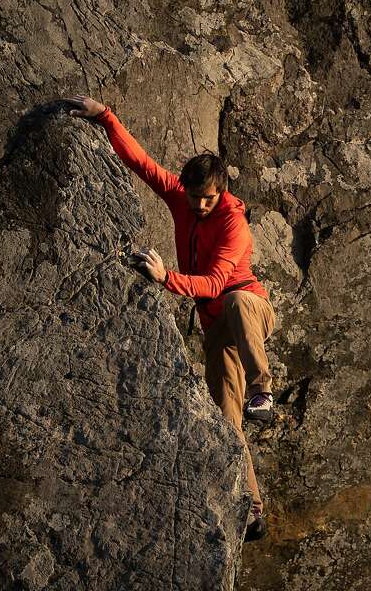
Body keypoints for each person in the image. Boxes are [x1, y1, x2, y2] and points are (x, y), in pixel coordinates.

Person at [62, 94, 277, 542]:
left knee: (237, 302)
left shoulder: (234, 225)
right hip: (217, 331)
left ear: (221, 192)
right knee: (227, 421)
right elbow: (142, 164)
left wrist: (166, 278)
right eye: (195, 197)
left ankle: (263, 390)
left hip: (249, 311)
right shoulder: (181, 200)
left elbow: (216, 284)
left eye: (208, 199)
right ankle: (253, 508)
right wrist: (106, 117)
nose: (200, 206)